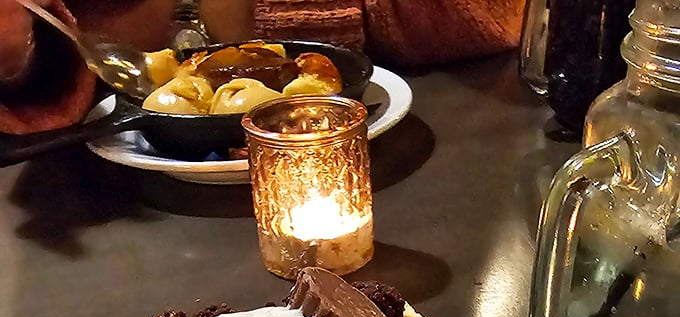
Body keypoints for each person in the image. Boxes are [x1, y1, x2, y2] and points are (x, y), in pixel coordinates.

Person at [0, 0, 524, 134]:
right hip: (110, 228)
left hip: (413, 163)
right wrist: (22, 54)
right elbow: (30, 91)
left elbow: (486, 20)